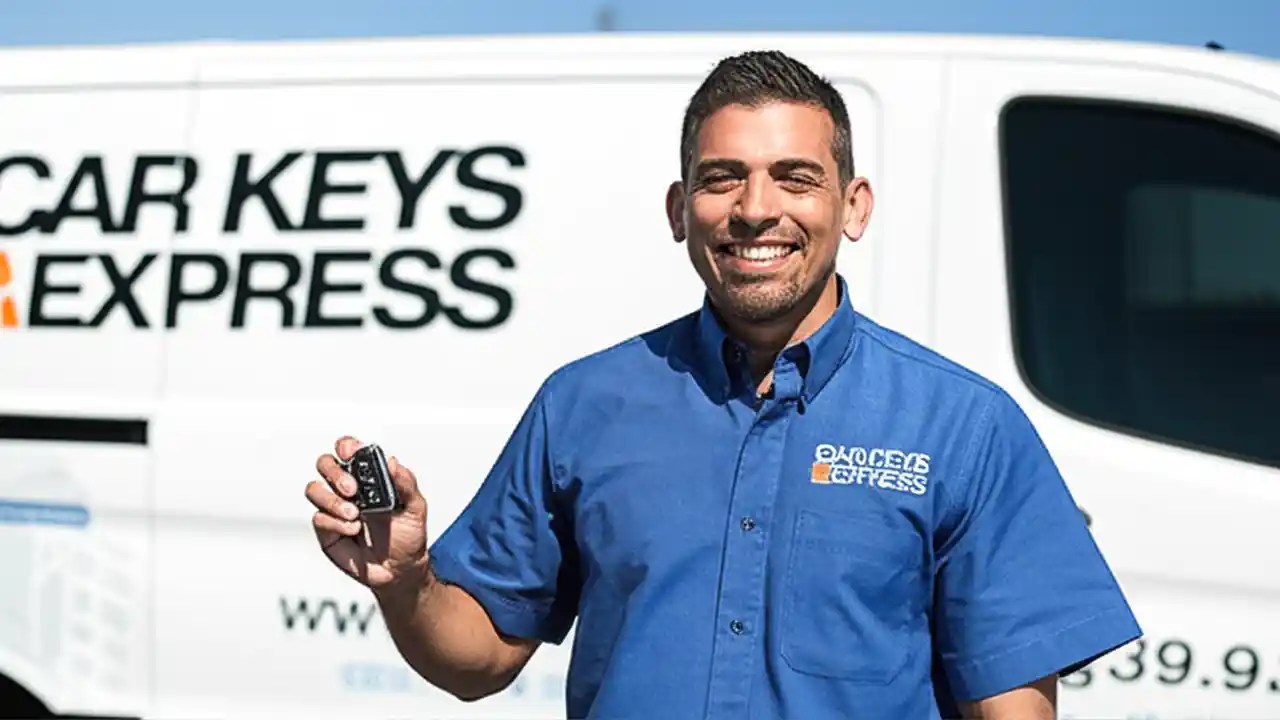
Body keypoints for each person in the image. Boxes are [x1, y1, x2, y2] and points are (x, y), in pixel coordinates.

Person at [305, 50, 1142, 719]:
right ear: (679, 210)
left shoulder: (964, 426)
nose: (754, 208)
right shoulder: (584, 406)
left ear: (853, 206)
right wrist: (407, 581)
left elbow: (1011, 706)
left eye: (795, 177)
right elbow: (477, 662)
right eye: (722, 177)